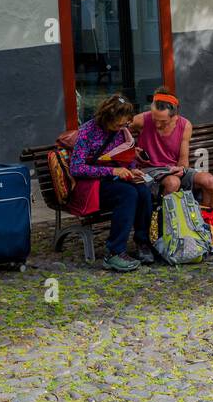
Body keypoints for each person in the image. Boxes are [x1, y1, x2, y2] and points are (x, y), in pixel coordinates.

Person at [66, 93, 155, 272]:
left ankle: (142, 242)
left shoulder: (121, 131)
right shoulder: (87, 132)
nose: (121, 127)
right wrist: (112, 171)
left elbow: (125, 155)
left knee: (143, 190)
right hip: (91, 185)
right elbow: (76, 168)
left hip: (113, 180)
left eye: (124, 124)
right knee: (127, 194)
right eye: (118, 124)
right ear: (107, 118)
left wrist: (132, 169)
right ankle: (114, 252)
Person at [130, 88, 213, 210]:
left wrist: (181, 169)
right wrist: (131, 150)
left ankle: (206, 221)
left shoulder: (185, 125)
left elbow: (183, 160)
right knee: (173, 182)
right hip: (147, 170)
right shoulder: (141, 119)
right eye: (155, 119)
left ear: (175, 115)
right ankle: (165, 223)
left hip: (171, 169)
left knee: (209, 181)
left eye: (163, 121)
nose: (157, 125)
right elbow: (117, 133)